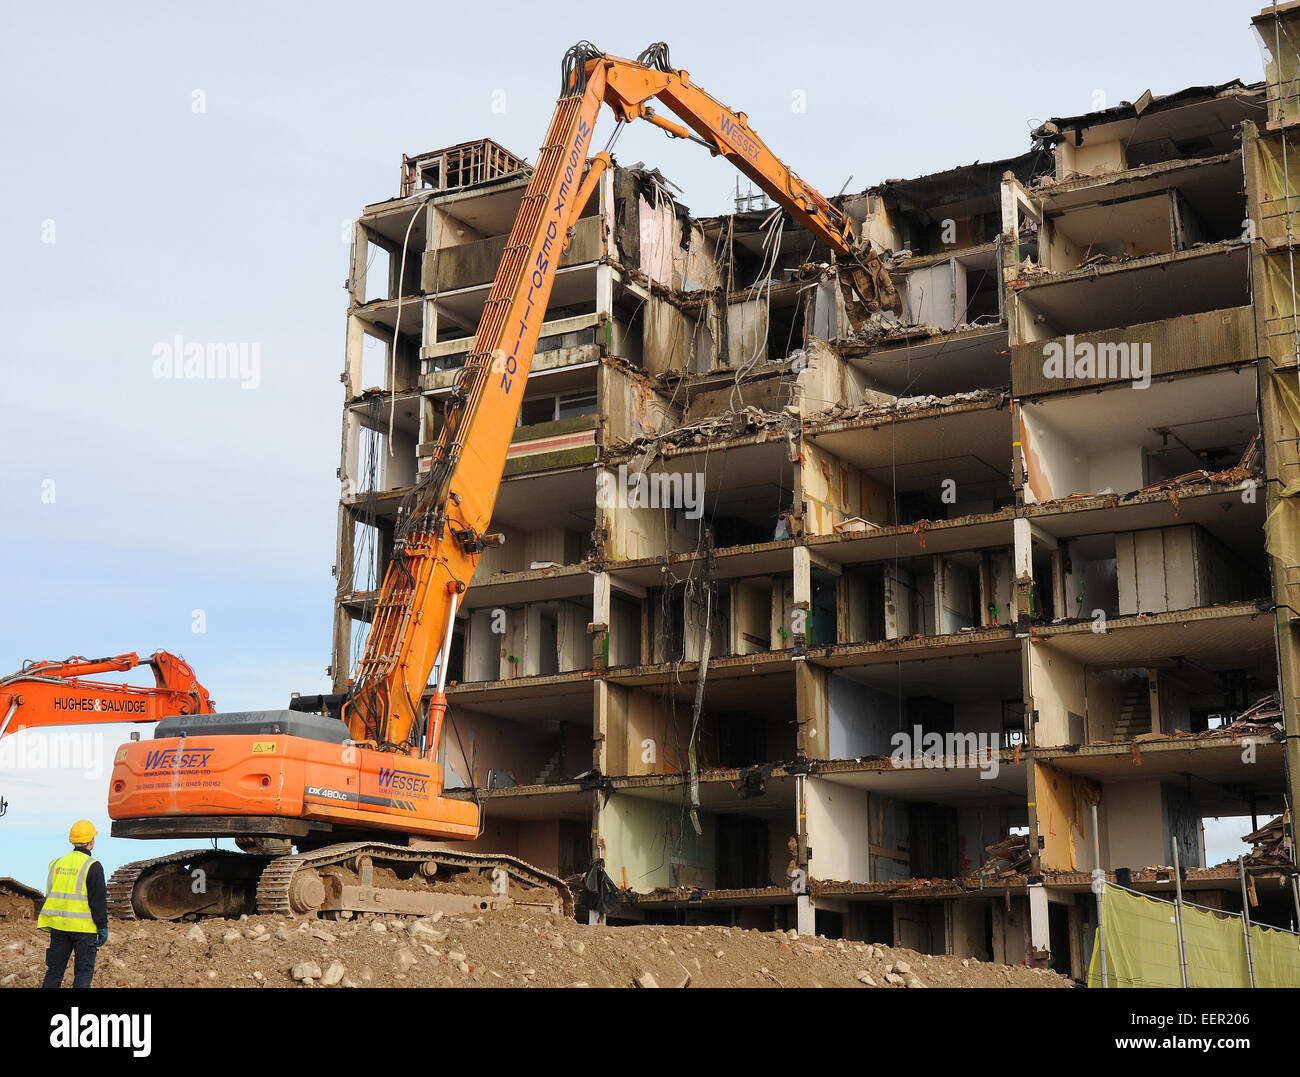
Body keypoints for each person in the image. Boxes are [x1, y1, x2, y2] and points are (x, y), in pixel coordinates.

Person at [38, 819, 108, 988]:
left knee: (54, 972)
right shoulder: (93, 866)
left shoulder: (56, 863)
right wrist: (102, 926)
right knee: (83, 974)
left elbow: (50, 893)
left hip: (59, 926)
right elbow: (97, 901)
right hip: (84, 929)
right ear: (91, 841)